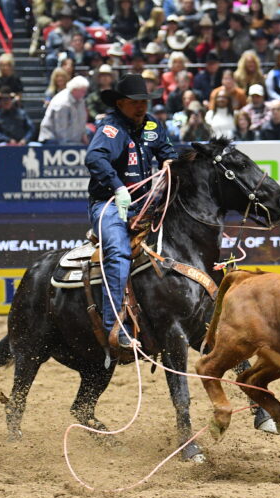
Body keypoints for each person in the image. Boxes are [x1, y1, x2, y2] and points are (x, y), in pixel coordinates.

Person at [84, 73, 177, 350]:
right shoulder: (111, 128)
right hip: (109, 204)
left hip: (146, 203)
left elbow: (167, 151)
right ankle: (115, 327)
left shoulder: (152, 124)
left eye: (144, 102)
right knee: (119, 251)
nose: (141, 107)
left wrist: (170, 162)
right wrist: (117, 187)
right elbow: (94, 157)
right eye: (135, 102)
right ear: (121, 103)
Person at [39, 75, 89, 145]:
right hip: (52, 139)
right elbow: (60, 129)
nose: (84, 94)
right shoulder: (62, 102)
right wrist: (66, 146)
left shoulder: (80, 100)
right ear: (74, 90)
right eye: (83, 91)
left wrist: (83, 135)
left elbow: (82, 120)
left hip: (72, 139)